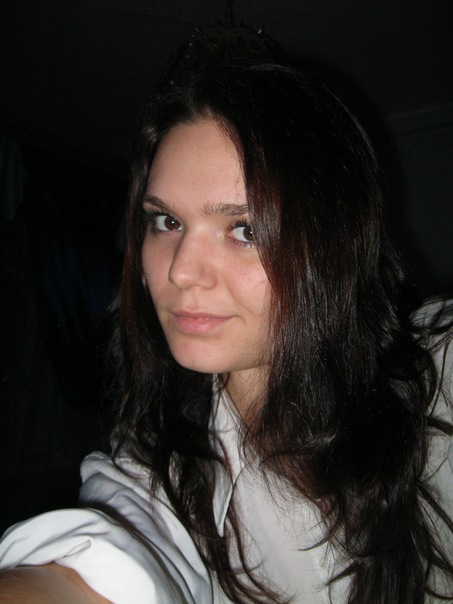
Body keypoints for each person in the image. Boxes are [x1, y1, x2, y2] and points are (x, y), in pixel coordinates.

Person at [0, 61, 452, 603]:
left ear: (333, 245)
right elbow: (109, 559)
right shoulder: (159, 461)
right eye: (166, 221)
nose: (180, 272)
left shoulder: (442, 370)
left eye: (245, 228)